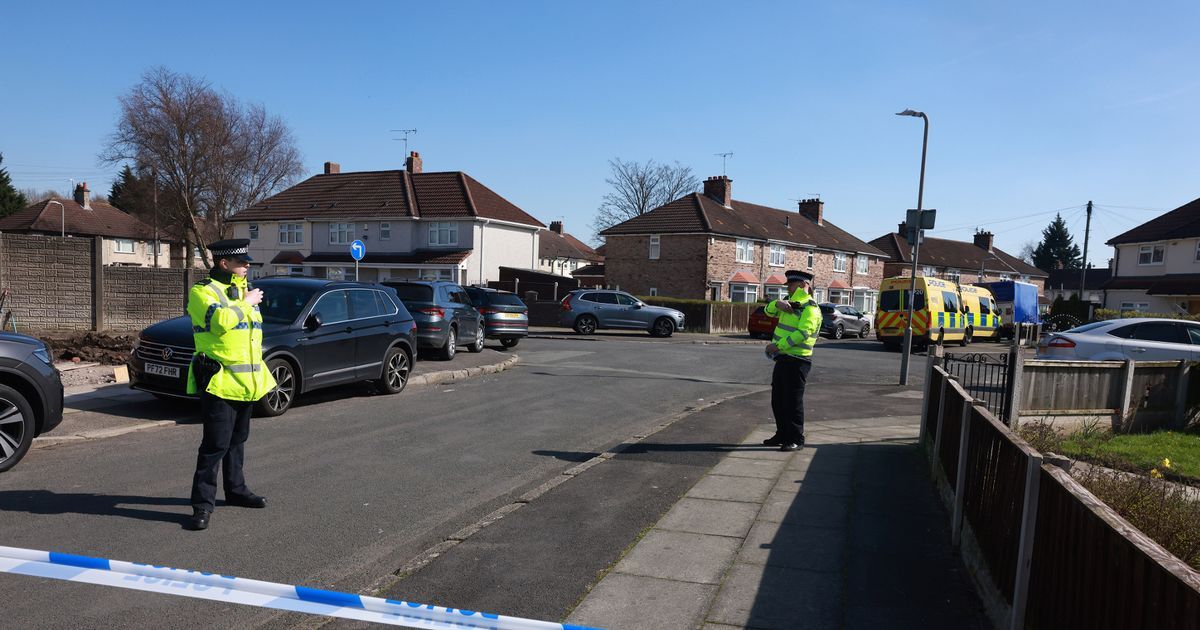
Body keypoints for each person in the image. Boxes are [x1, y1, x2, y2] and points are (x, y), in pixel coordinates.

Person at [185, 239, 276, 531]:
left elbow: (251, 338)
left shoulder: (240, 292)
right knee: (215, 446)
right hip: (219, 382)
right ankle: (202, 506)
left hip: (246, 383)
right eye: (242, 262)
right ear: (224, 264)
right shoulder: (202, 291)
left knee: (238, 441)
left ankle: (236, 490)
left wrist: (245, 300)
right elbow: (219, 322)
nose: (247, 266)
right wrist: (245, 303)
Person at [763, 269, 822, 451]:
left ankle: (796, 438)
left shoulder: (810, 308)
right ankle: (782, 434)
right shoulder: (790, 303)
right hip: (783, 358)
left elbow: (803, 334)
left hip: (798, 360)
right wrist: (776, 303)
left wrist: (778, 346)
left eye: (791, 284)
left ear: (804, 285)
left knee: (793, 402)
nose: (788, 287)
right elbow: (768, 311)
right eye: (788, 284)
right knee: (778, 400)